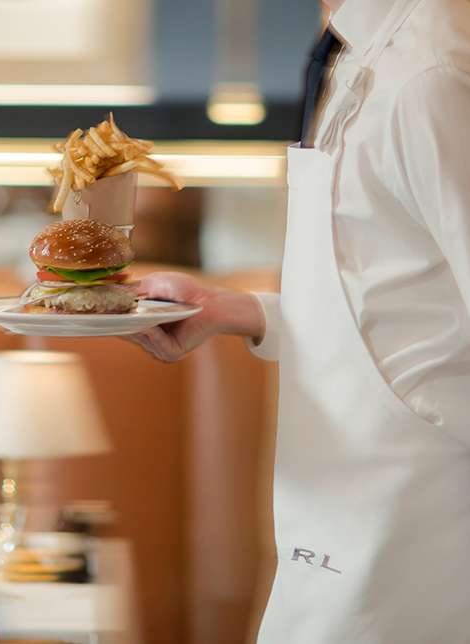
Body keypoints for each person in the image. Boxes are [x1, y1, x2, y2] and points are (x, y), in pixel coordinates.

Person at [127, 0, 470, 641]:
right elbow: (402, 293)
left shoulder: (435, 73)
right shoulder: (361, 50)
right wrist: (246, 312)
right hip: (335, 511)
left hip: (415, 531)